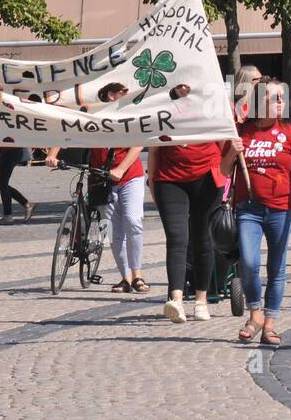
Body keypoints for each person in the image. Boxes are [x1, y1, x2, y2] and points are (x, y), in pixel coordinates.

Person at [223, 79, 291, 346]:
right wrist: (232, 152)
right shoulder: (241, 131)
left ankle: (270, 324)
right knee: (250, 264)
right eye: (274, 98)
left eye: (282, 98)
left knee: (276, 268)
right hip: (248, 209)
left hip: (280, 209)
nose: (281, 103)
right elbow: (222, 170)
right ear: (258, 102)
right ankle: (255, 315)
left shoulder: (290, 133)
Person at [148, 132, 224, 324]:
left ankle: (201, 301)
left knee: (202, 237)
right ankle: (177, 300)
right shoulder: (163, 107)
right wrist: (153, 186)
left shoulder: (210, 106)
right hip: (169, 178)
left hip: (207, 176)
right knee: (176, 237)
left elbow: (225, 143)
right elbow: (154, 150)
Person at [89, 83, 148, 295]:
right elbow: (66, 129)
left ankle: (137, 273)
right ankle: (126, 277)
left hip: (130, 176)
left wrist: (122, 168)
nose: (124, 95)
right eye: (121, 92)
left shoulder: (131, 113)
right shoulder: (92, 114)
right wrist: (52, 153)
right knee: (112, 232)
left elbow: (139, 143)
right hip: (102, 180)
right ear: (109, 94)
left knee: (133, 221)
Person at [0, 145, 34, 224]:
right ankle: (27, 204)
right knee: (1, 184)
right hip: (9, 150)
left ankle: (8, 216)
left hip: (11, 150)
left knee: (2, 184)